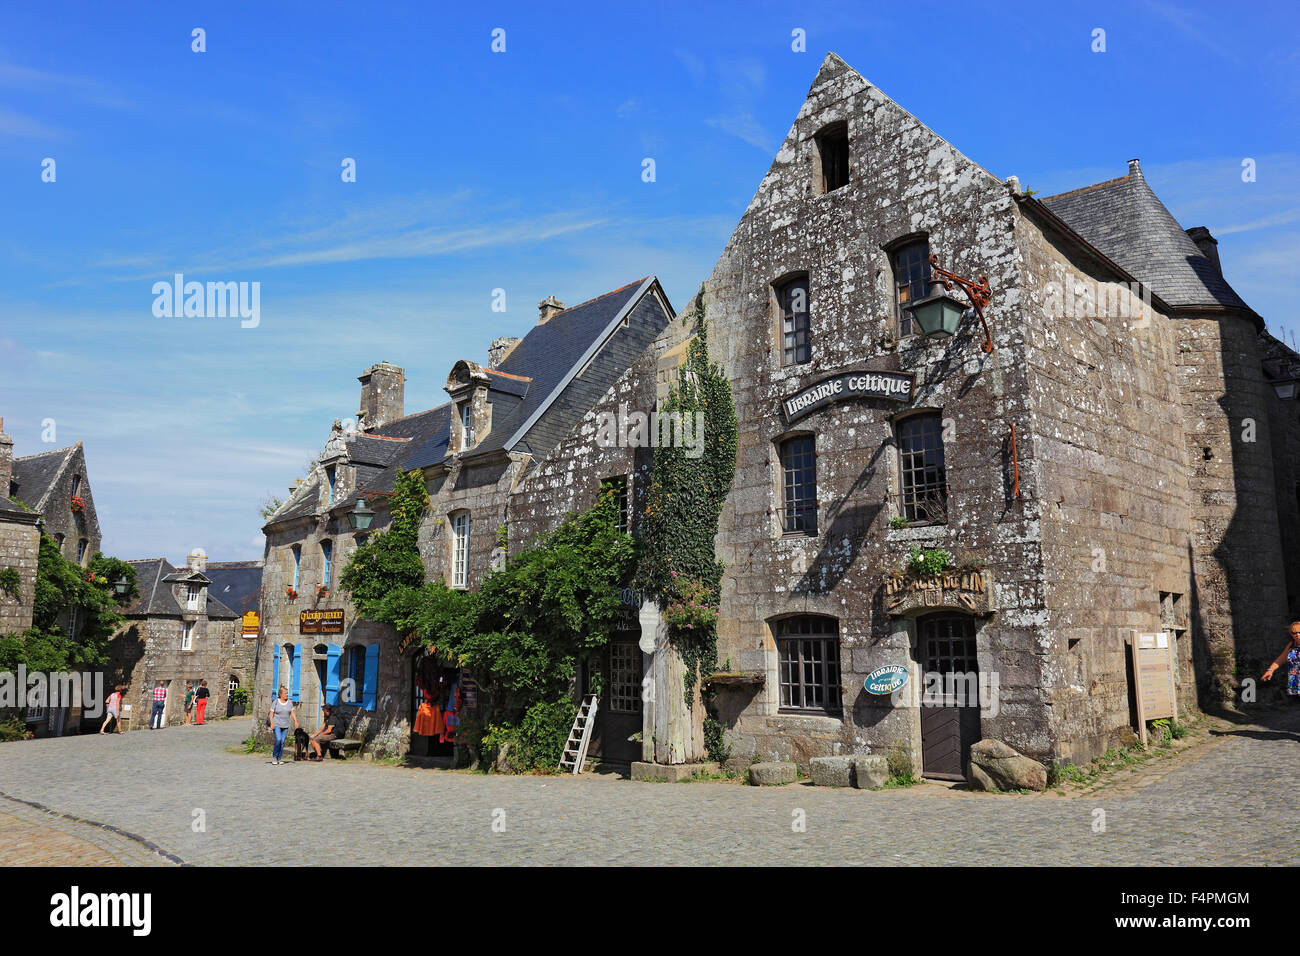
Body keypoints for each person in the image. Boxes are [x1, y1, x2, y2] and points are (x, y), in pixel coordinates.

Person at [1261, 620, 1300, 701]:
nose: (1297, 634)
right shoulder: (1291, 645)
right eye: (1294, 632)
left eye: (1299, 632)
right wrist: (1270, 670)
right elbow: (1282, 658)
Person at [267, 685, 299, 765]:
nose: (287, 695)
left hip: (285, 725)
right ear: (280, 694)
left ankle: (279, 758)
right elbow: (271, 713)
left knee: (282, 742)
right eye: (285, 693)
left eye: (287, 693)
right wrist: (272, 723)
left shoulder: (289, 702)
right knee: (278, 740)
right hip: (277, 724)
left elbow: (292, 712)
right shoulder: (276, 702)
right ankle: (274, 756)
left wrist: (295, 721)